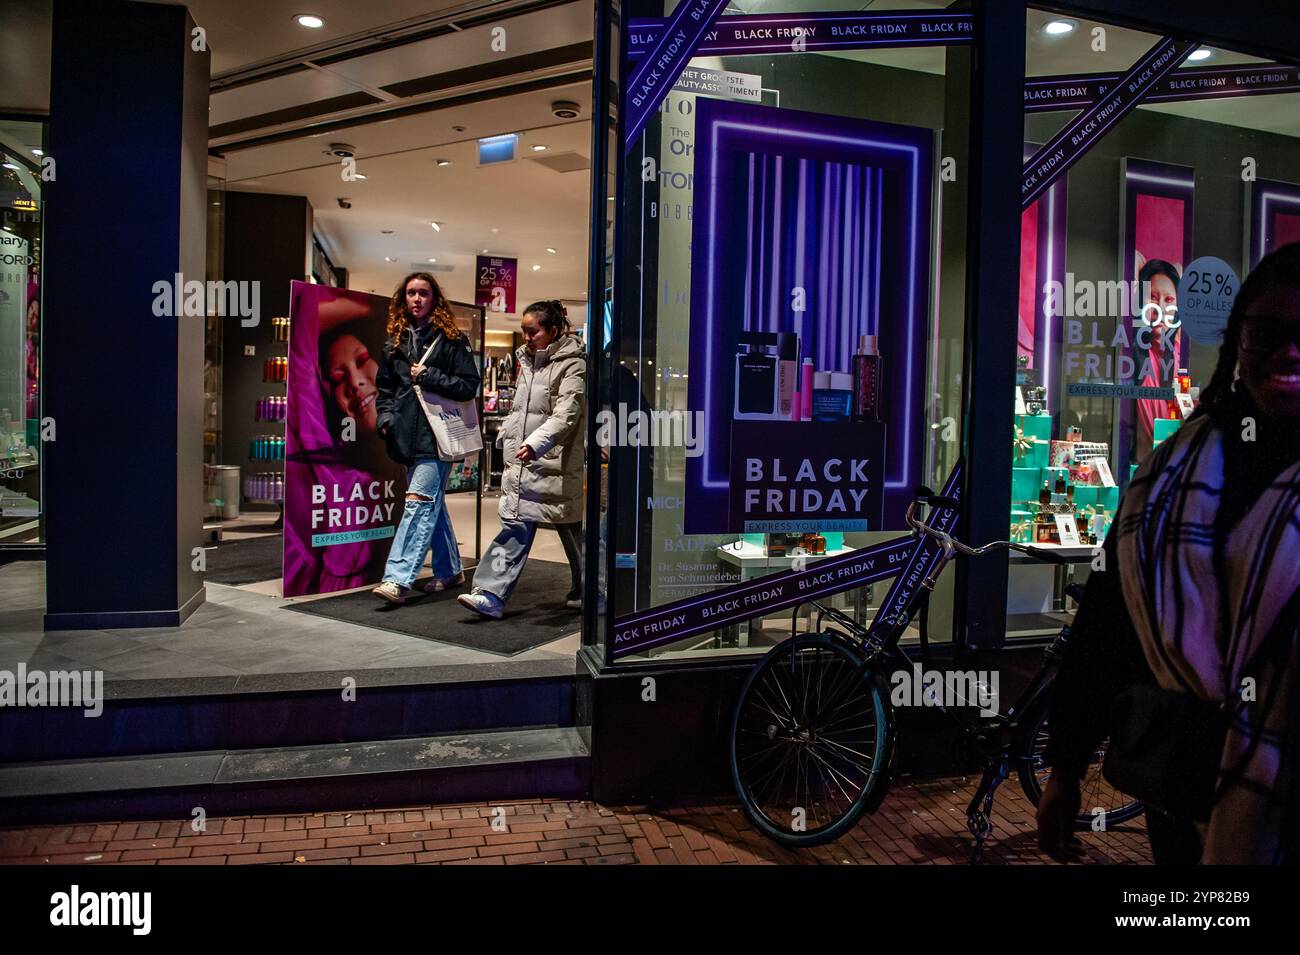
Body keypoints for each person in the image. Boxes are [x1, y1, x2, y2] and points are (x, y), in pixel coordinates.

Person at [1038, 242, 1300, 865]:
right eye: (1267, 331)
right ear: (1238, 339)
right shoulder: (1169, 473)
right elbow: (1105, 621)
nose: (1289, 351)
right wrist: (1067, 768)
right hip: (1178, 783)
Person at [459, 300, 586, 619]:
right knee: (516, 524)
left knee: (570, 529)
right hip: (525, 463)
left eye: (534, 331)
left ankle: (591, 588)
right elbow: (522, 411)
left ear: (554, 331)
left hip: (556, 464)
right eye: (524, 331)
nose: (527, 337)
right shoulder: (528, 363)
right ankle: (490, 593)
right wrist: (508, 438)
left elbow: (566, 414)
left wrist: (535, 443)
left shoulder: (574, 365)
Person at [371, 272, 481, 604]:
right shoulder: (394, 342)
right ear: (403, 299)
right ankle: (449, 571)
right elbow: (385, 390)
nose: (417, 299)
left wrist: (429, 375)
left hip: (439, 437)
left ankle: (396, 578)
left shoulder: (451, 339)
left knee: (418, 504)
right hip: (405, 437)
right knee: (431, 504)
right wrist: (386, 420)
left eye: (423, 293)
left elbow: (468, 385)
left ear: (434, 299)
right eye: (411, 293)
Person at [1134, 259, 1181, 462]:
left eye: (1169, 300)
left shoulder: (1181, 358)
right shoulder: (1128, 354)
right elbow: (1133, 257)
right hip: (1137, 465)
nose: (1160, 308)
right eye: (1153, 297)